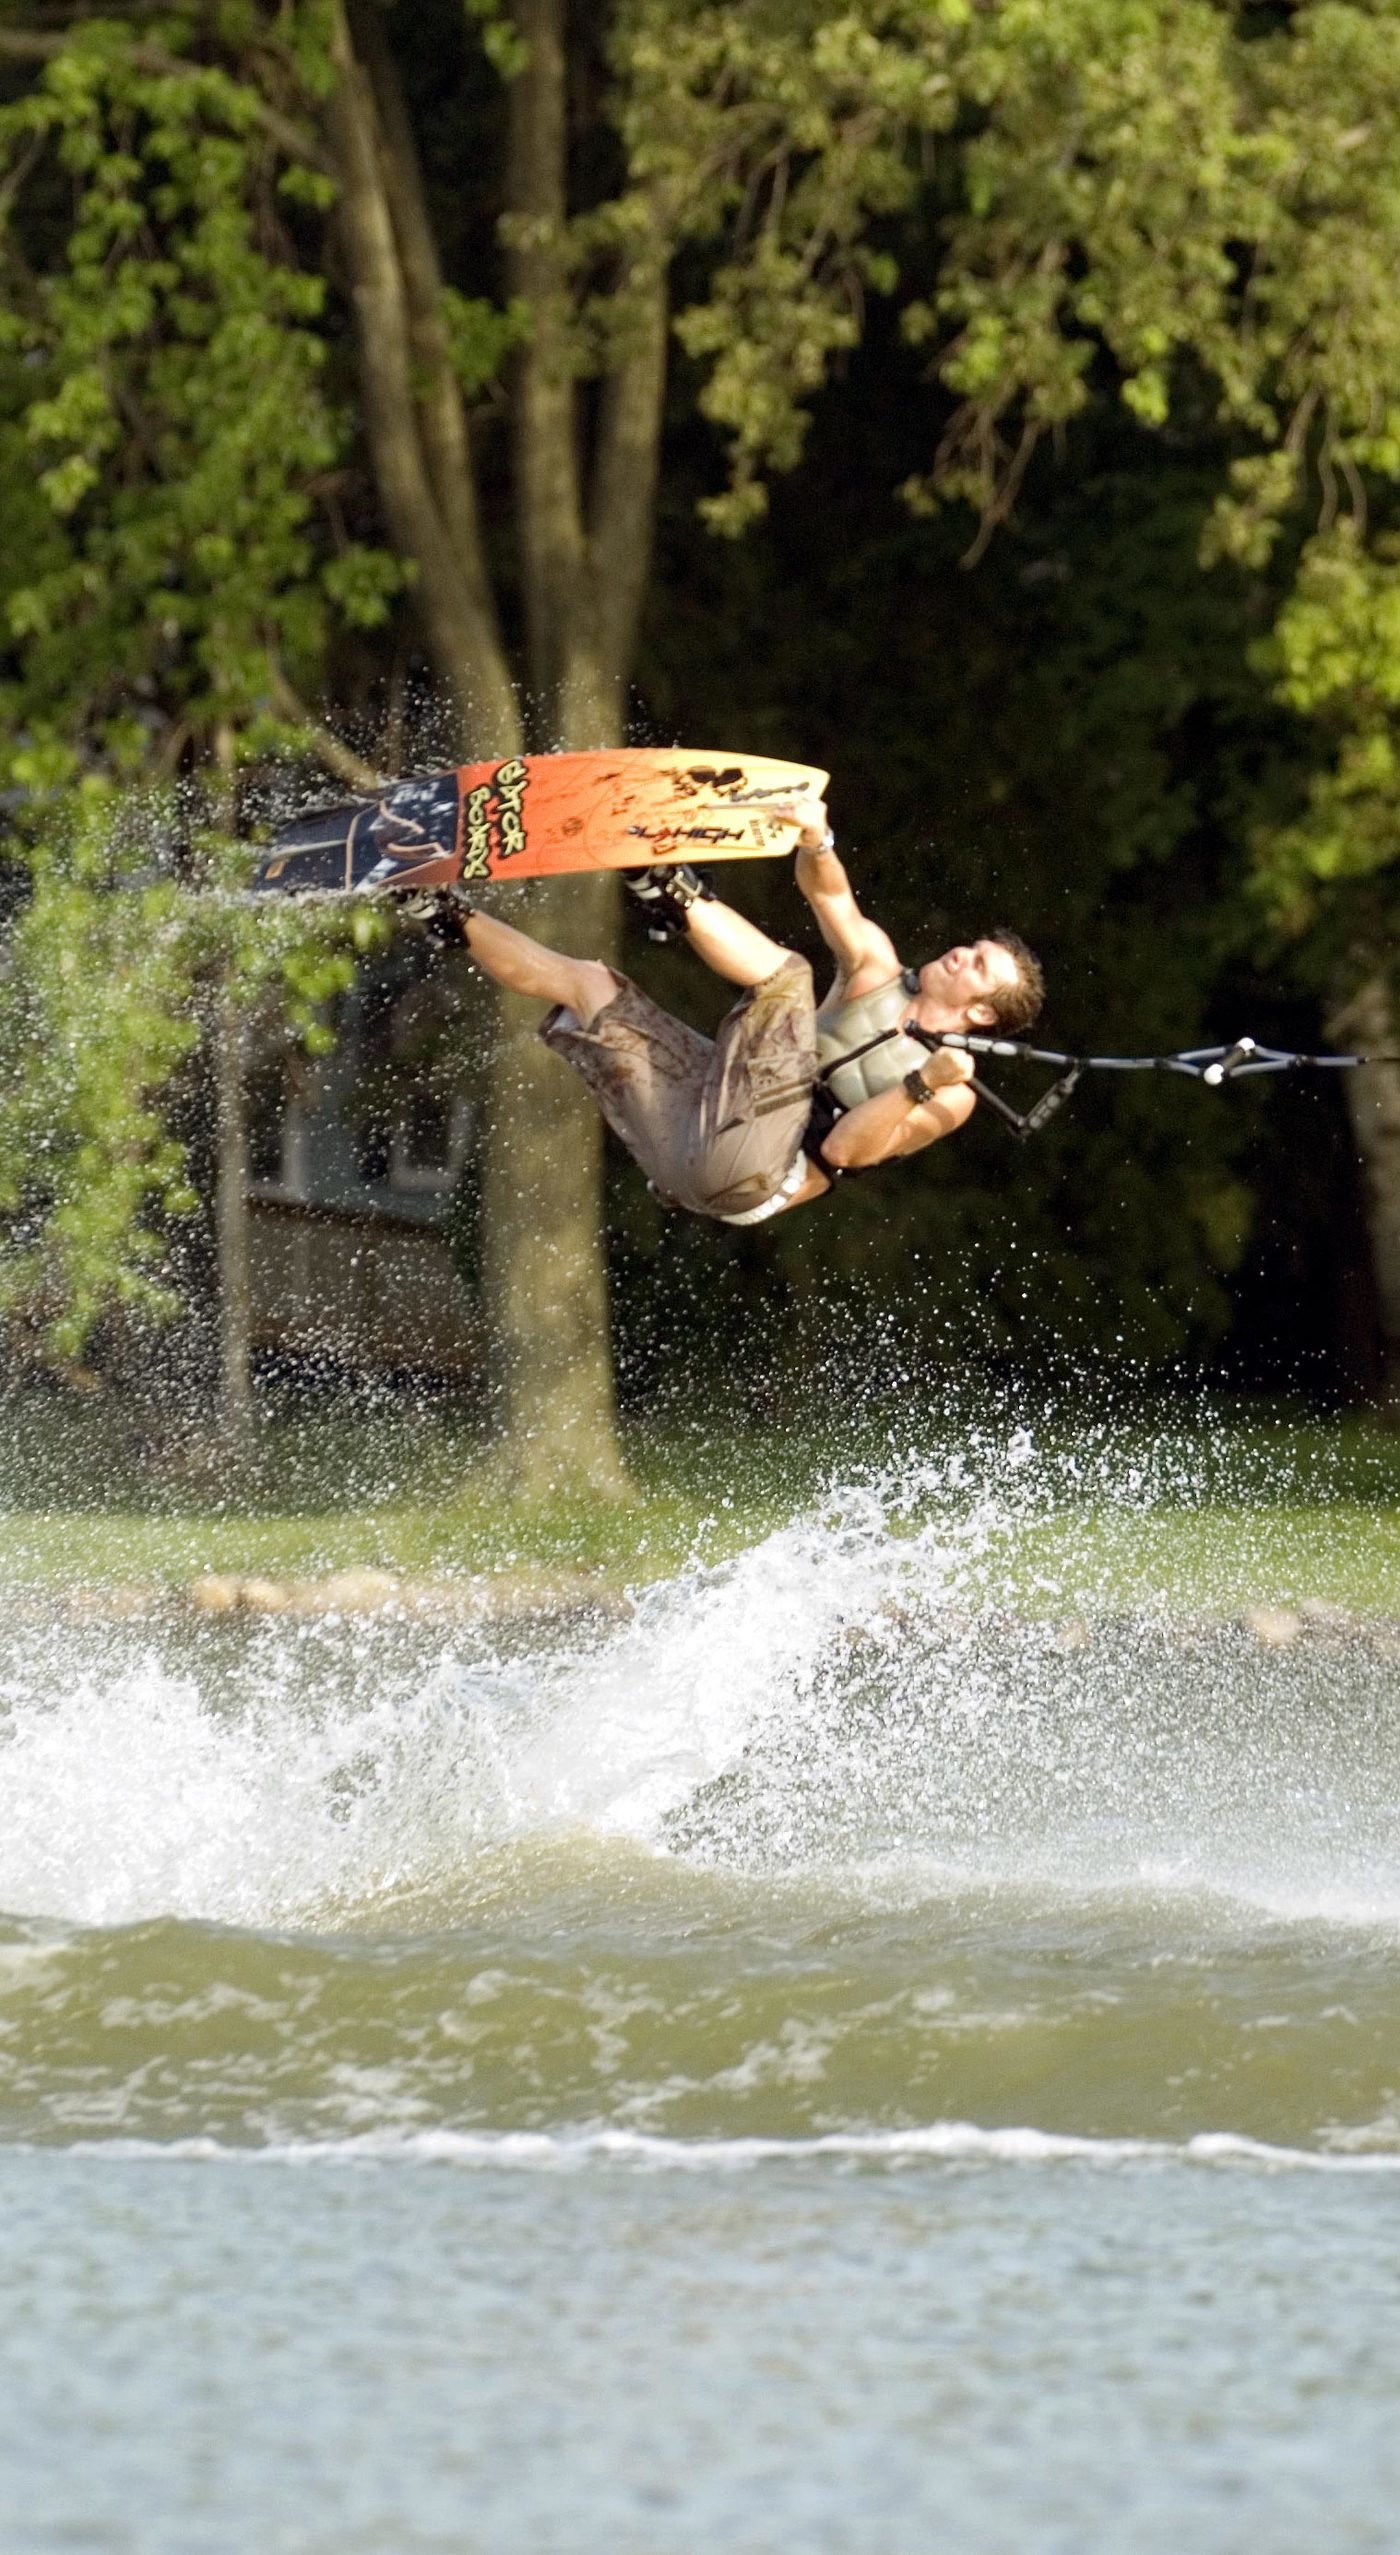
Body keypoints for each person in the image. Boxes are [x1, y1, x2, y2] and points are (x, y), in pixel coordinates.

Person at [441, 798, 1044, 1225]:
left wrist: (919, 1085)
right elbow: (828, 893)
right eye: (974, 948)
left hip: (752, 1177)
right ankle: (436, 908)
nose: (964, 954)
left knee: (790, 977)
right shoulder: (877, 968)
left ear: (984, 1016)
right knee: (589, 986)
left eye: (980, 967)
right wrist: (818, 841)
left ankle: (664, 884)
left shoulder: (954, 1095)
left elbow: (844, 1154)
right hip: (691, 1136)